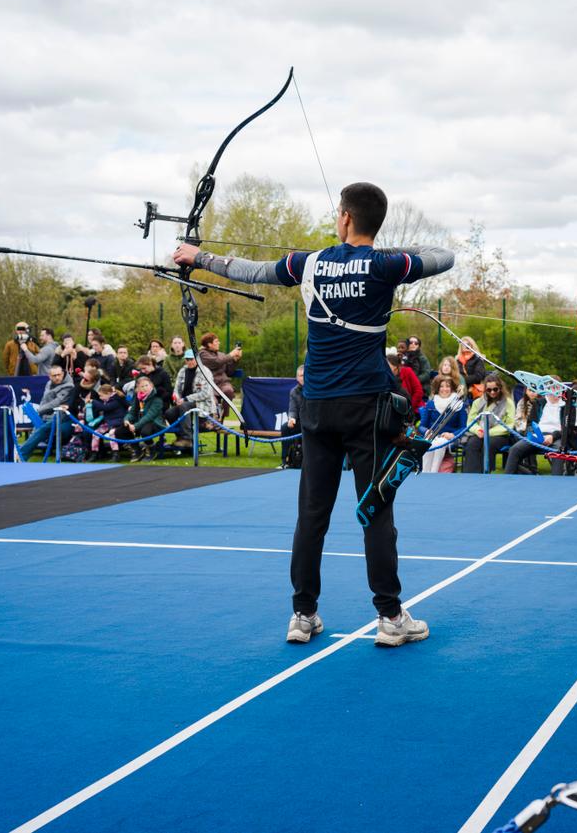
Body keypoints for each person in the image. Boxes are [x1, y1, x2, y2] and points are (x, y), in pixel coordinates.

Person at [173, 180, 455, 645]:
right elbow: (443, 255)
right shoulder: (388, 265)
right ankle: (389, 617)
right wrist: (382, 251)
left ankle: (303, 615)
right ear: (374, 222)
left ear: (345, 217)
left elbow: (252, 271)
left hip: (318, 407)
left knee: (312, 513)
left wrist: (196, 257)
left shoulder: (310, 263)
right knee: (376, 511)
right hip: (368, 408)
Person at [17, 366, 76, 460]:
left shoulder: (69, 386)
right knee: (38, 429)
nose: (57, 377)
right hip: (48, 416)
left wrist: (39, 410)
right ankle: (20, 454)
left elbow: (56, 402)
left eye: (59, 375)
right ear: (50, 376)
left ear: (63, 374)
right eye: (54, 375)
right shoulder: (49, 383)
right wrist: (40, 412)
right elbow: (44, 400)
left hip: (63, 418)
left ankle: (21, 454)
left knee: (42, 429)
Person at [462, 373, 515, 473]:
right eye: (489, 390)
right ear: (485, 390)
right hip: (480, 432)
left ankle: (485, 474)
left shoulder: (508, 402)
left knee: (489, 444)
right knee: (472, 444)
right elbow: (470, 422)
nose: (492, 392)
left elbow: (510, 425)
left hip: (500, 435)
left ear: (500, 388)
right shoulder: (477, 402)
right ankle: (470, 475)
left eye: (495, 389)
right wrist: (478, 430)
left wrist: (488, 432)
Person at [166, 349, 219, 448]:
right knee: (169, 413)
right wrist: (176, 398)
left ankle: (187, 439)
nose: (189, 361)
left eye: (192, 359)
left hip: (202, 405)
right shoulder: (182, 370)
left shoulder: (205, 371)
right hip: (184, 404)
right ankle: (181, 437)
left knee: (184, 406)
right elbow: (176, 389)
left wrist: (186, 399)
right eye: (187, 359)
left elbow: (206, 393)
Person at [419, 374, 466, 473]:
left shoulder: (459, 405)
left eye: (448, 386)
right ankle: (425, 472)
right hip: (433, 436)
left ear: (452, 388)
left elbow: (463, 428)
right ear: (437, 388)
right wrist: (427, 431)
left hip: (449, 438)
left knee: (440, 442)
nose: (445, 389)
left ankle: (434, 473)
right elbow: (422, 426)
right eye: (441, 386)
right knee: (428, 442)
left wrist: (452, 434)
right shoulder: (431, 404)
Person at [115, 374, 167, 461]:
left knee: (145, 432)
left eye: (147, 385)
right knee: (120, 431)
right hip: (139, 422)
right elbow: (132, 412)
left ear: (152, 385)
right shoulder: (137, 397)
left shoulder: (157, 398)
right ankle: (136, 450)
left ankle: (151, 450)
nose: (145, 388)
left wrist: (135, 426)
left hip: (154, 423)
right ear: (138, 388)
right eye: (142, 386)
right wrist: (127, 420)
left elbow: (149, 416)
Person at [503, 384, 547, 475]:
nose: (532, 393)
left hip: (539, 431)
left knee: (530, 438)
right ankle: (529, 467)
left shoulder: (543, 403)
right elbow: (518, 419)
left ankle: (532, 468)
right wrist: (525, 429)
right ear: (526, 391)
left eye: (534, 391)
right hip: (522, 430)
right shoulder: (522, 402)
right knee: (526, 438)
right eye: (530, 390)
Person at [198, 333, 241, 408]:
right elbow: (217, 362)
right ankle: (215, 415)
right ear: (209, 344)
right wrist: (231, 354)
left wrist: (235, 360)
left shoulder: (221, 354)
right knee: (213, 401)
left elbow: (229, 371)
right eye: (216, 341)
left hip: (223, 384)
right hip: (210, 385)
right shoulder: (202, 354)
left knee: (229, 390)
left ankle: (222, 416)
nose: (219, 343)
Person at [281, 366, 304, 468]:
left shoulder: (315, 389)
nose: (302, 378)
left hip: (314, 422)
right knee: (285, 427)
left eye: (304, 375)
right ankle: (285, 460)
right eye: (300, 376)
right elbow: (293, 409)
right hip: (300, 422)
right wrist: (292, 418)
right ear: (297, 378)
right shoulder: (294, 391)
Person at [387, 348, 424, 412]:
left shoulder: (407, 371)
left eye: (388, 364)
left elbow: (418, 391)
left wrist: (409, 407)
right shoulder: (386, 376)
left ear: (395, 366)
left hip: (413, 409)